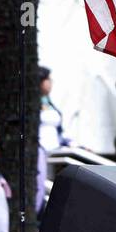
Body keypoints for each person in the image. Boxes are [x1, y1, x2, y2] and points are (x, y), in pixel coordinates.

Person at [37, 67, 71, 214]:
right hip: (40, 150)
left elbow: (58, 131)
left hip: (54, 150)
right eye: (48, 80)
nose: (50, 83)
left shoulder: (48, 102)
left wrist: (69, 143)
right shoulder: (29, 102)